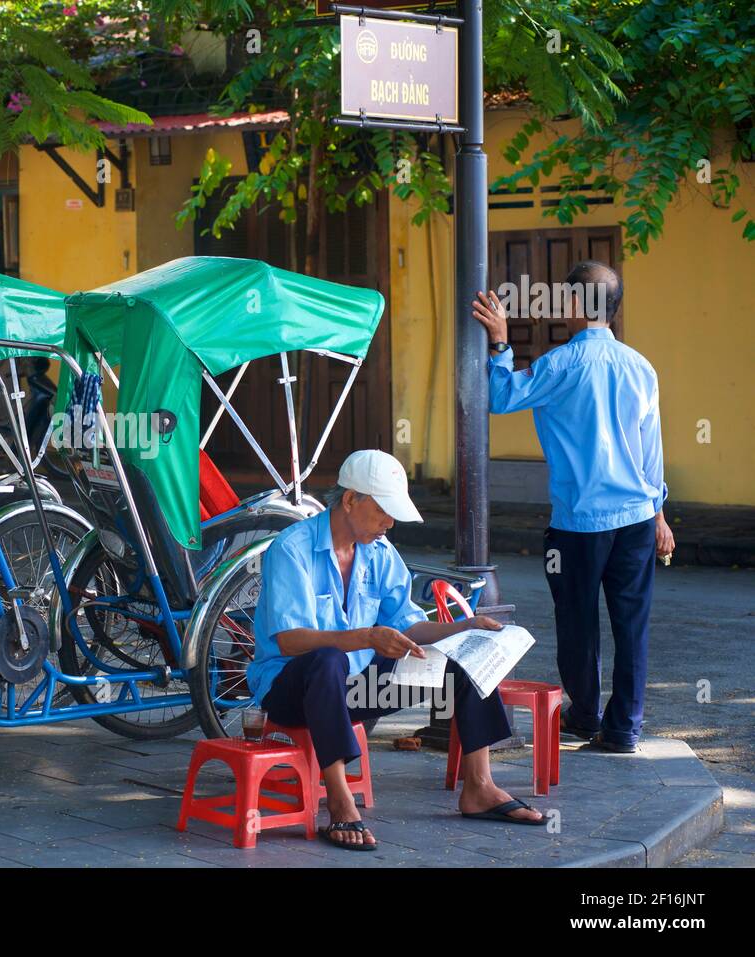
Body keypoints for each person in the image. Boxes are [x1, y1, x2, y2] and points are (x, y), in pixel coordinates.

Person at [249, 449, 543, 851]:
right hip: (291, 691)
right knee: (327, 660)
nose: (389, 523)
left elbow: (407, 625)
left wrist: (464, 628)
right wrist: (366, 637)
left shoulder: (380, 552)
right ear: (350, 500)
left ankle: (479, 786)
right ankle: (337, 796)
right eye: (383, 511)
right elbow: (290, 641)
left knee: (461, 658)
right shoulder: (292, 549)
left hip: (356, 689)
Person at [471, 261, 673, 754]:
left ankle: (584, 716)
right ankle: (623, 729)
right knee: (633, 626)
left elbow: (499, 396)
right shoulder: (641, 367)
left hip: (579, 524)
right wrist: (661, 514)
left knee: (577, 623)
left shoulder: (561, 365)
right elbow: (653, 453)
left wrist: (500, 343)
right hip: (637, 519)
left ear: (579, 305)